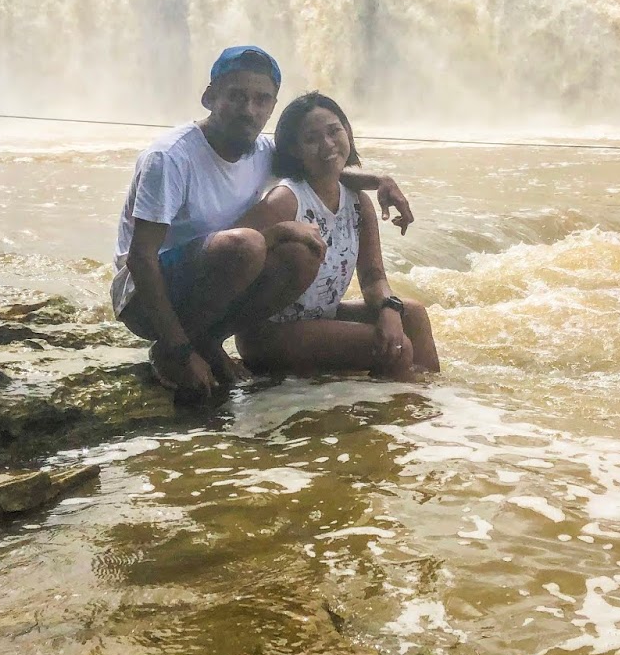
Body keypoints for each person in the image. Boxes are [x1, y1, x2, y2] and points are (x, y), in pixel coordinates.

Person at [112, 46, 413, 397]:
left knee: (302, 253)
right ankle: (173, 350)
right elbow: (140, 259)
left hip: (209, 286)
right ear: (210, 97)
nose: (248, 110)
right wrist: (180, 349)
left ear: (272, 106)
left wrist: (379, 181)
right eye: (236, 97)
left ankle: (208, 342)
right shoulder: (170, 158)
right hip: (145, 299)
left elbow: (321, 162)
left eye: (261, 99)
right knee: (251, 242)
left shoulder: (259, 151)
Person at [233, 92, 439, 379]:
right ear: (294, 150)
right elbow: (231, 250)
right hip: (270, 331)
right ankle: (392, 415)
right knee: (396, 346)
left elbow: (372, 277)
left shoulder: (357, 202)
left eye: (334, 131)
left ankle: (425, 404)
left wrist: (388, 309)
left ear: (348, 132)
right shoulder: (286, 199)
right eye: (311, 139)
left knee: (413, 316)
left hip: (319, 315)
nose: (327, 145)